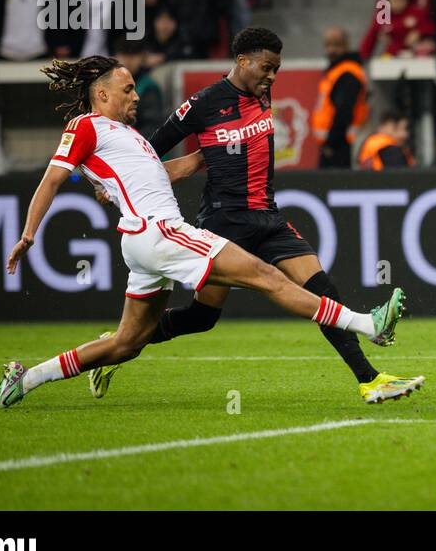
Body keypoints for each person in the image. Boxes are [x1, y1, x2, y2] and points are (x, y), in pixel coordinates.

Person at [0, 54, 407, 409]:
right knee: (266, 277)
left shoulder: (128, 137)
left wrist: (213, 152)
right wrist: (29, 233)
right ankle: (366, 323)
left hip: (144, 243)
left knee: (127, 343)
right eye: (128, 89)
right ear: (102, 94)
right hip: (161, 232)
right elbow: (52, 179)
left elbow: (172, 170)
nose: (136, 96)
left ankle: (25, 380)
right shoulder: (86, 126)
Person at [120, 28, 420, 404]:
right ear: (242, 61)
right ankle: (115, 346)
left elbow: (230, 145)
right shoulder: (202, 104)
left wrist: (204, 156)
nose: (272, 77)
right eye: (266, 67)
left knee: (321, 289)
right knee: (202, 318)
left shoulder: (262, 89)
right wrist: (117, 182)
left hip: (268, 216)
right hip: (224, 223)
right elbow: (148, 151)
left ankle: (370, 380)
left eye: (277, 69)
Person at [312, 26, 369, 168]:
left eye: (336, 45)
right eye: (328, 45)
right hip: (336, 142)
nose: (331, 50)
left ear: (345, 46)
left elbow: (344, 111)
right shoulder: (337, 71)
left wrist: (331, 143)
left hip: (341, 145)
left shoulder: (347, 73)